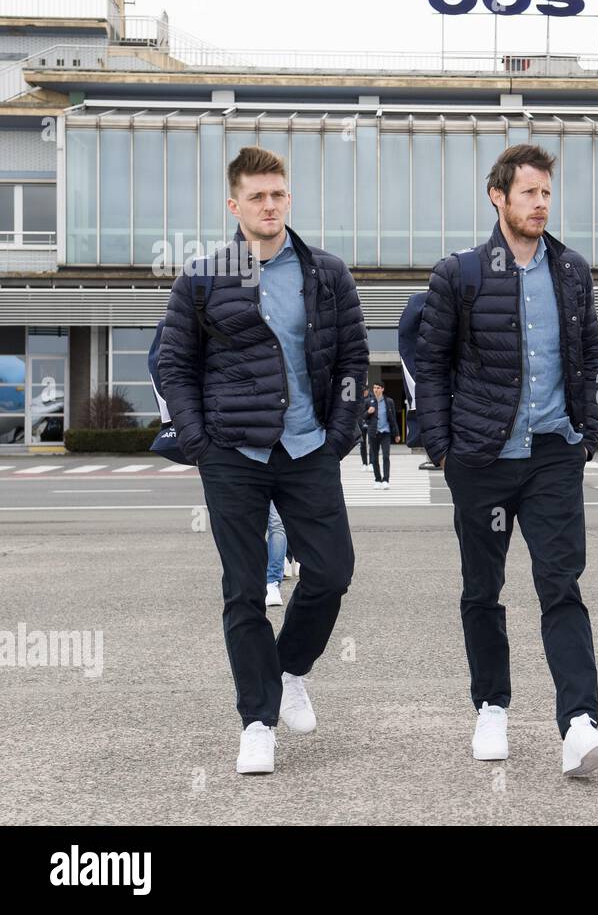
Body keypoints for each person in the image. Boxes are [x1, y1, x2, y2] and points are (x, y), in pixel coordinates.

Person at [156, 145, 369, 776]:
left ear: (288, 199)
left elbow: (355, 361)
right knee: (245, 589)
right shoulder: (202, 280)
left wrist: (341, 434)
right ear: (234, 204)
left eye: (278, 194)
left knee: (331, 573)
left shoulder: (326, 274)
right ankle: (257, 720)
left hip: (308, 449)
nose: (269, 205)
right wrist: (200, 441)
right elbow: (174, 365)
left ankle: (291, 668)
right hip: (233, 453)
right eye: (257, 196)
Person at [414, 143, 598, 777]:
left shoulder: (572, 271)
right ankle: (492, 707)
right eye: (528, 192)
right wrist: (443, 448)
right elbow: (431, 364)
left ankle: (580, 723)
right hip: (483, 457)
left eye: (547, 193)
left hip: (555, 454)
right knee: (483, 589)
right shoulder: (461, 274)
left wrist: (587, 434)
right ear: (497, 196)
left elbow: (587, 352)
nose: (540, 204)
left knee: (561, 586)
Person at [367, 381, 397, 488]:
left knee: (385, 456)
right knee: (374, 458)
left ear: (382, 389)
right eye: (374, 387)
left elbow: (393, 418)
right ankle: (377, 479)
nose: (376, 390)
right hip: (373, 434)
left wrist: (397, 434)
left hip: (385, 433)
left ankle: (386, 480)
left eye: (378, 388)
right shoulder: (368, 402)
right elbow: (361, 417)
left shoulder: (389, 402)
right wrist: (368, 412)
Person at [356, 384, 371, 469]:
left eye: (365, 391)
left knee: (372, 444)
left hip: (370, 423)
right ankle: (364, 463)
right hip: (361, 424)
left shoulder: (372, 398)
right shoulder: (358, 399)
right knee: (363, 444)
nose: (364, 392)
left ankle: (371, 462)